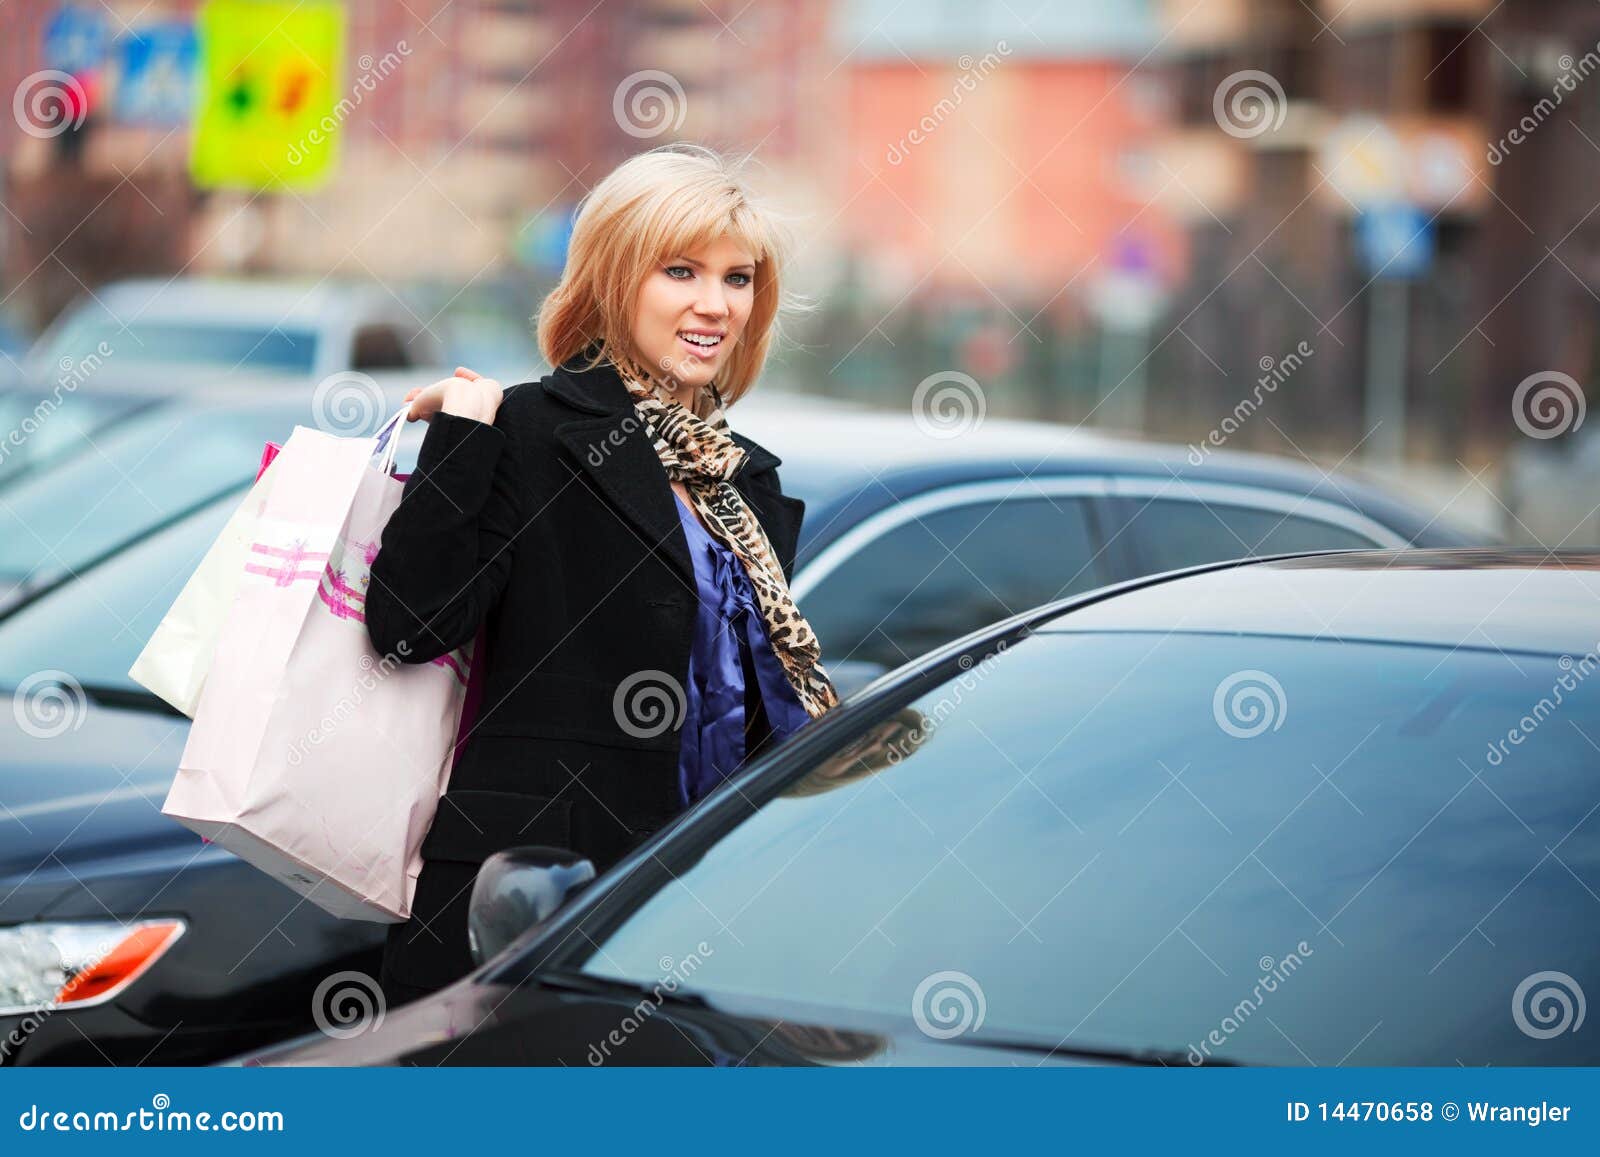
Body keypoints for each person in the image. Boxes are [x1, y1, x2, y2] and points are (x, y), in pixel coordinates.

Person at [365, 143, 841, 1008]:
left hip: (696, 906)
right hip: (527, 905)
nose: (714, 305)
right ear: (617, 279)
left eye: (738, 279)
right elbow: (405, 624)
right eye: (681, 271)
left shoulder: (745, 481)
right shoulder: (528, 429)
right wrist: (463, 441)